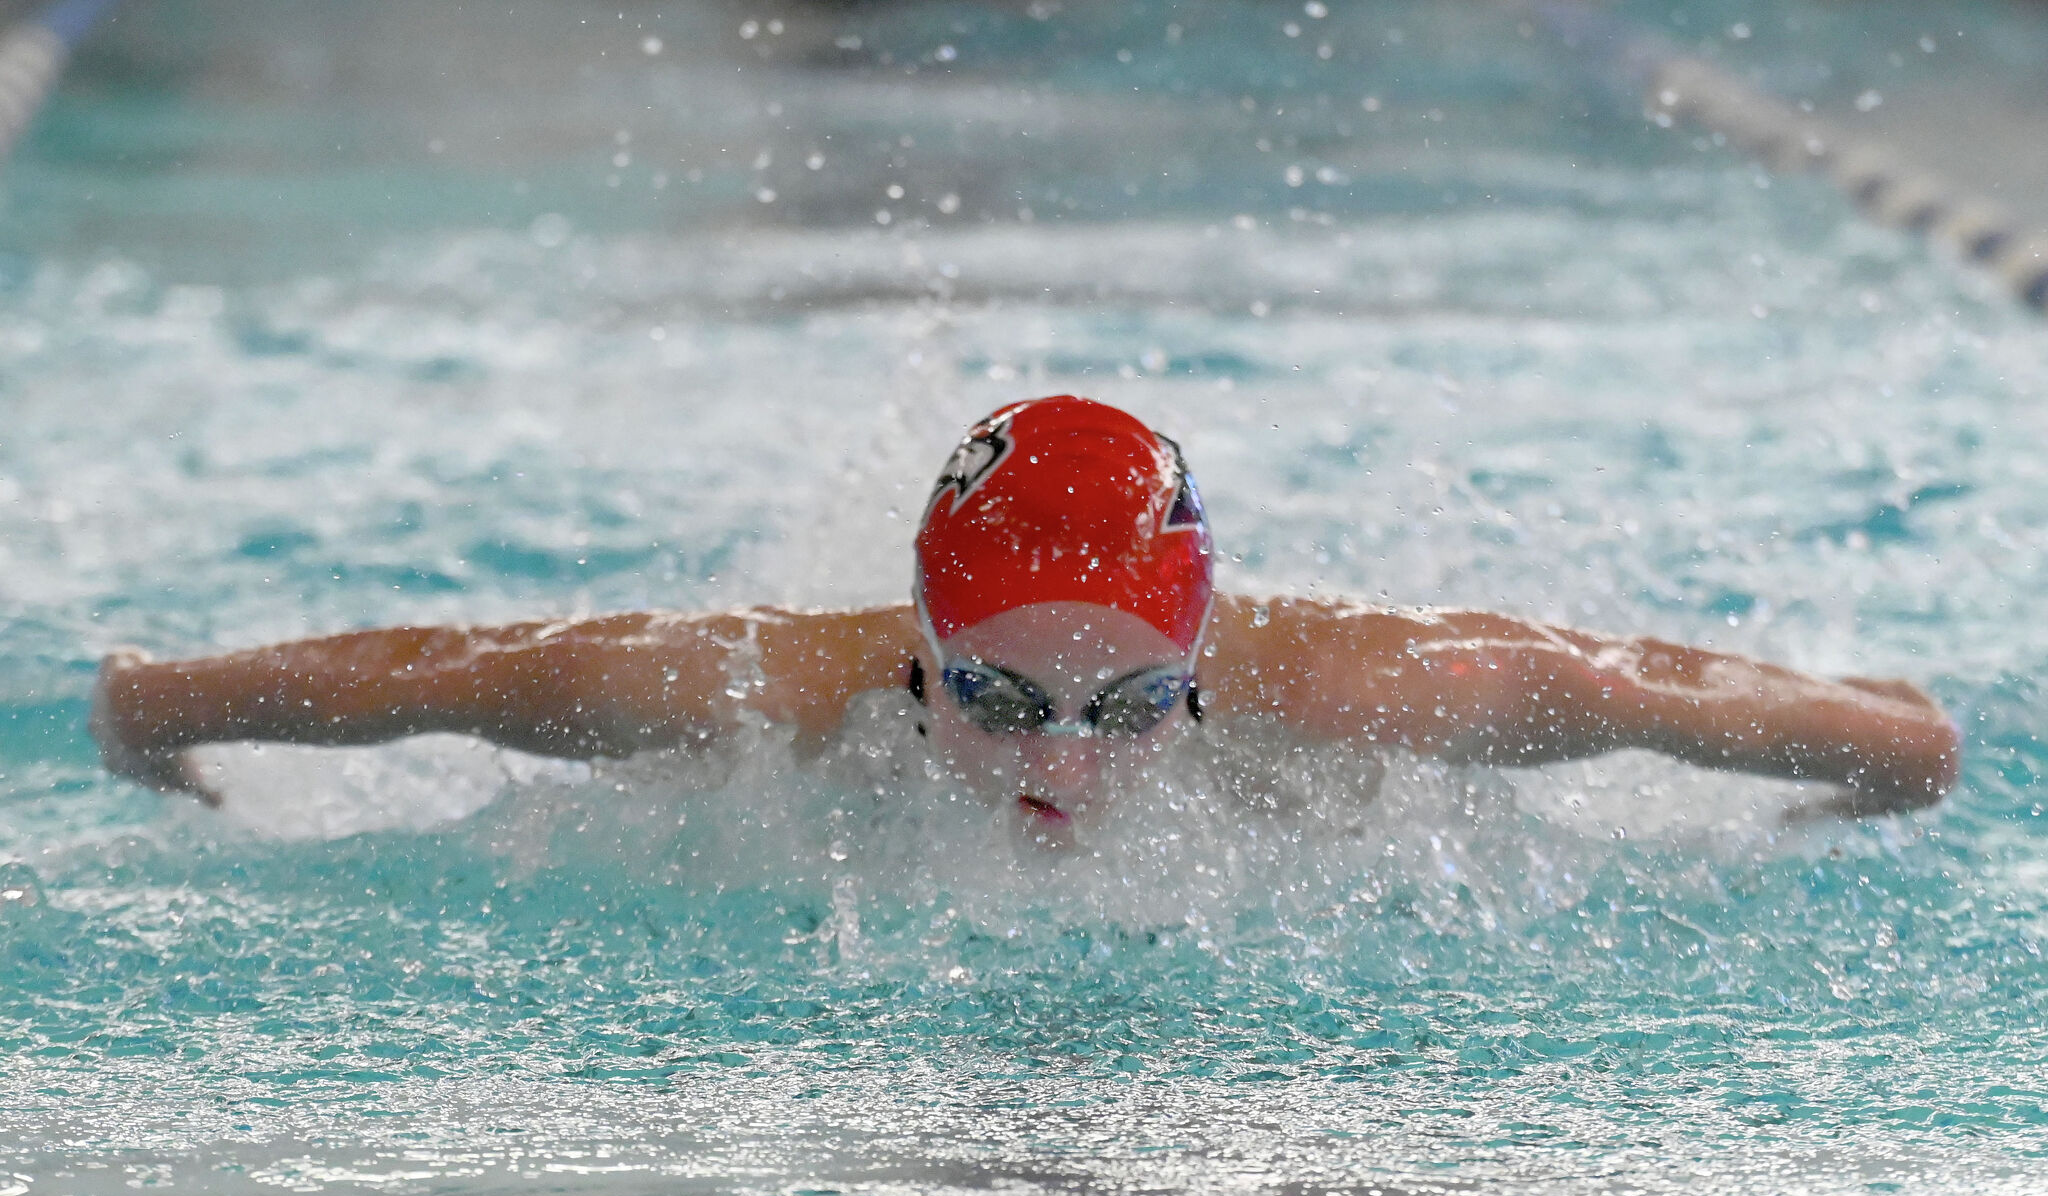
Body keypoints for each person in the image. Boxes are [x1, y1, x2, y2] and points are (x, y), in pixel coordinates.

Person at [91, 396, 1961, 840]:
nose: (1059, 761)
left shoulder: (1384, 692)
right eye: (993, 695)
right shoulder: (756, 691)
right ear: (910, 648)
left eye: (1134, 708)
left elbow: (1643, 694)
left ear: (1206, 659)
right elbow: (460, 678)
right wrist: (156, 711)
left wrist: (1883, 754)